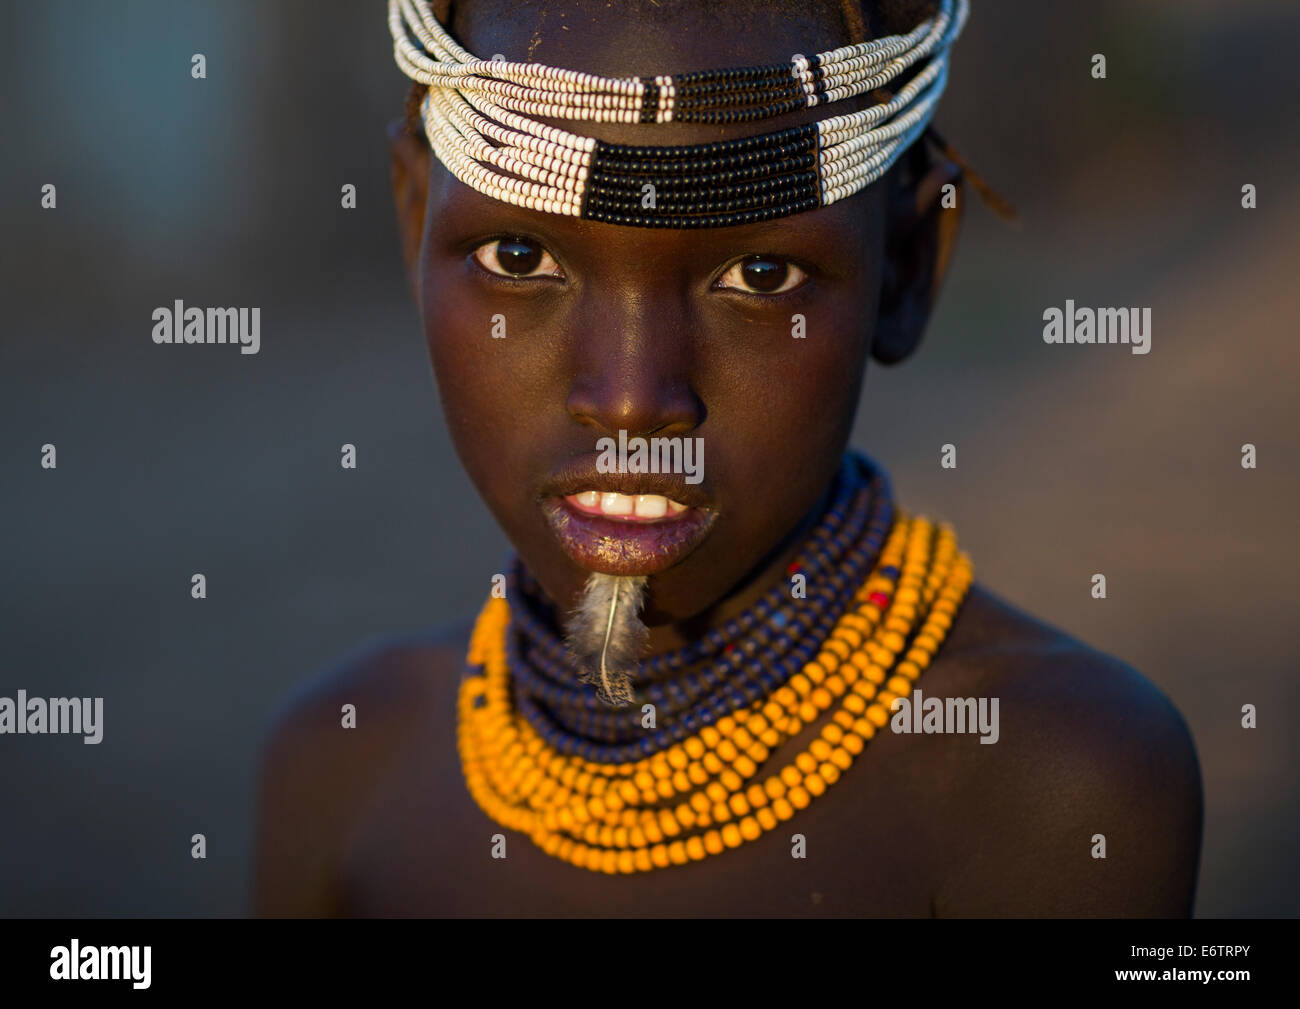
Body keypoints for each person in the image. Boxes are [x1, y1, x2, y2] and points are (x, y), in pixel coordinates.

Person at [251, 0, 1202, 916]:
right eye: (517, 255)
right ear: (416, 223)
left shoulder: (1056, 785)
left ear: (905, 268)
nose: (631, 397)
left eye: (759, 275)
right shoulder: (342, 769)